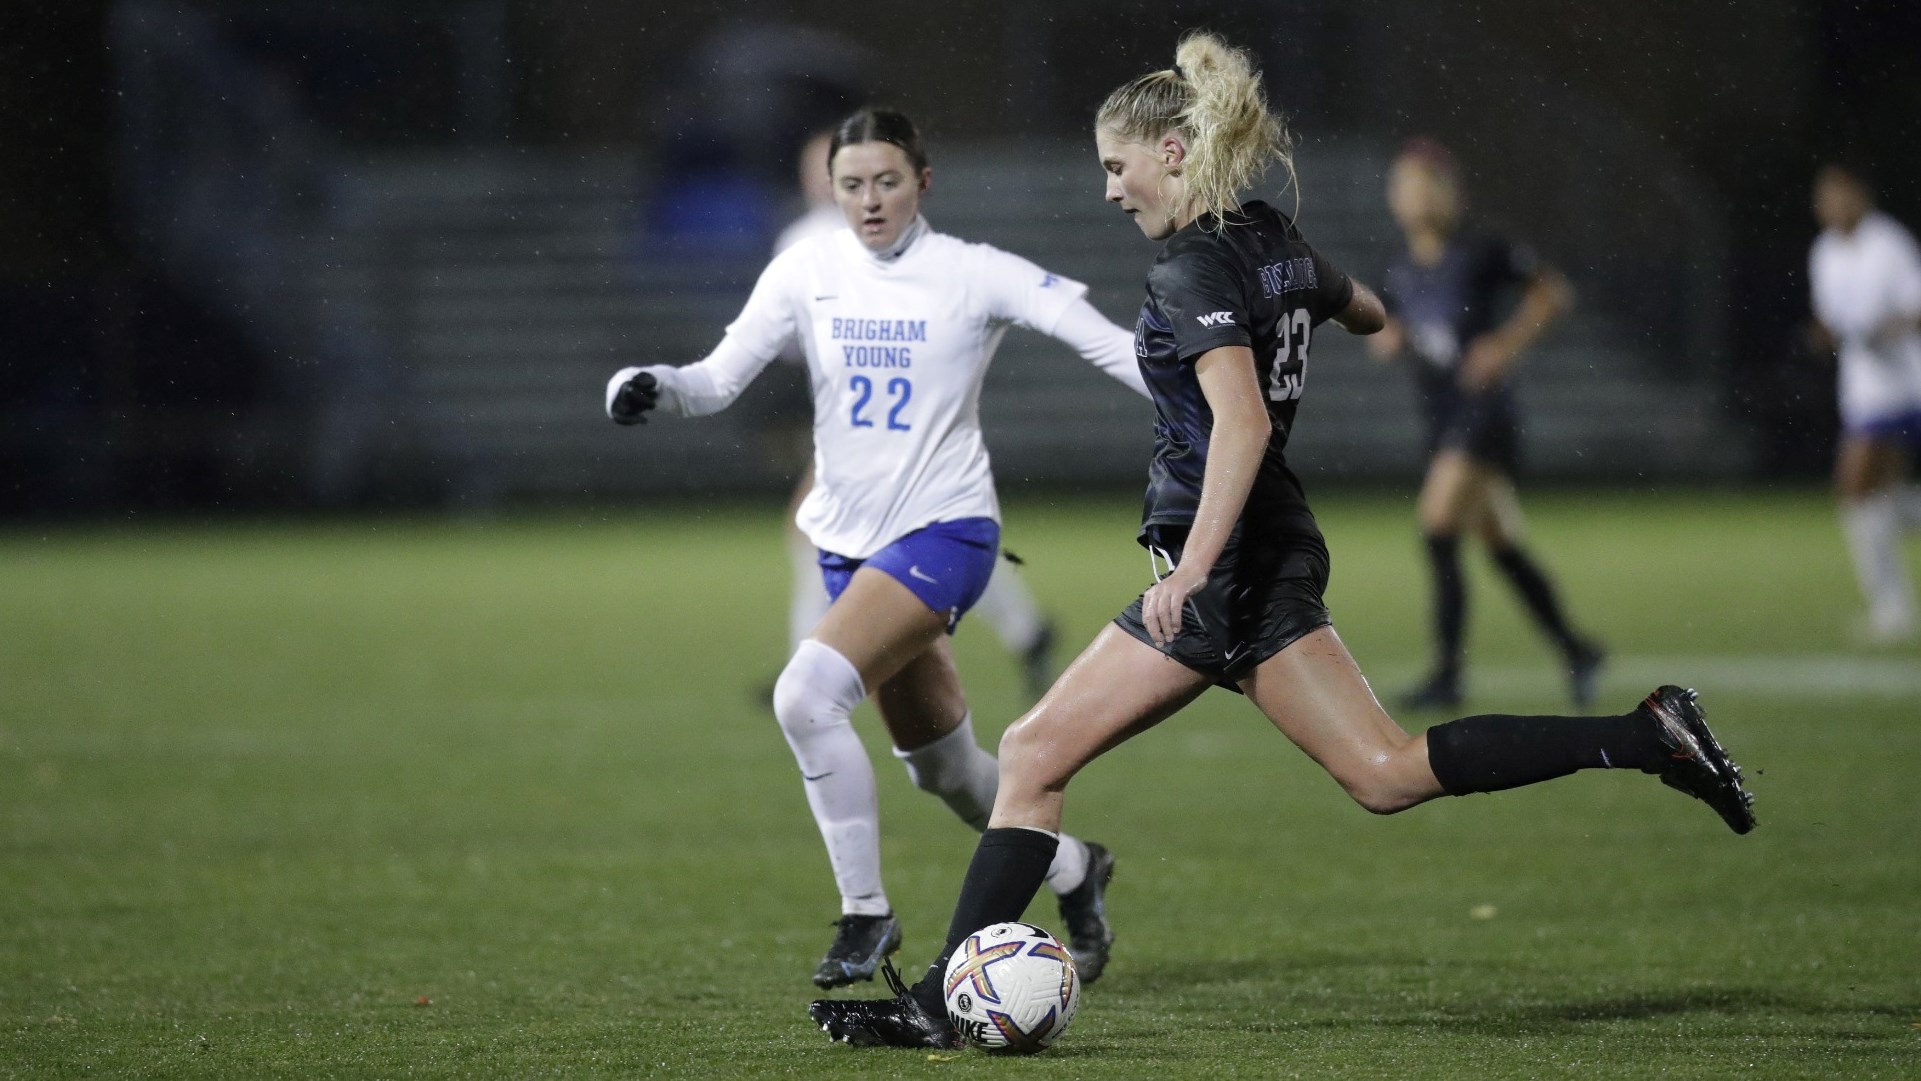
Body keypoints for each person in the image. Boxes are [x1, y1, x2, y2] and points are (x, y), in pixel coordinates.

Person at [806, 33, 1755, 1049]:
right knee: (1384, 773)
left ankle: (942, 1005)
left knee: (1034, 751)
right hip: (1278, 551)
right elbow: (1371, 309)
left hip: (1228, 566)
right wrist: (1299, 305)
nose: (1110, 191)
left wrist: (1195, 571)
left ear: (1172, 153)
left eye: (1116, 166)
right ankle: (1645, 733)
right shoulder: (1271, 236)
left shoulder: (1189, 268)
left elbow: (1244, 425)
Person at [606, 107, 1152, 990]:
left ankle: (866, 915)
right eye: (851, 183)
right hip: (844, 545)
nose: (868, 201)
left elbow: (1105, 343)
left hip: (946, 533)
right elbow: (713, 381)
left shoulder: (971, 274)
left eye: (887, 181)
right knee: (949, 772)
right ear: (830, 187)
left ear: (923, 183)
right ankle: (1074, 867)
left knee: (805, 693)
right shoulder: (806, 268)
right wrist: (651, 387)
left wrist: (1209, 392)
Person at [771, 132, 1063, 700]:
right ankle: (1027, 630)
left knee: (818, 526)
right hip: (882, 415)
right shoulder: (901, 236)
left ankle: (806, 664)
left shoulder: (809, 239)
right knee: (925, 527)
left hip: (865, 421)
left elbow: (789, 339)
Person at [1367, 139, 1605, 709]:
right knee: (1501, 545)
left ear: (1454, 194)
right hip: (1443, 419)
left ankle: (1448, 675)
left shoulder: (1481, 248)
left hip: (1484, 416)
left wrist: (1504, 344)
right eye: (1408, 185)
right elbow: (1382, 327)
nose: (1419, 196)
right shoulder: (1397, 268)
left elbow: (1552, 292)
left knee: (1436, 527)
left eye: (1431, 184)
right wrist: (1384, 336)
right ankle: (1577, 649)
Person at [1807, 162, 1921, 644]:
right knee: (1882, 499)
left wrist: (1881, 331)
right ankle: (1892, 606)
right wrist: (1828, 334)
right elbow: (1834, 319)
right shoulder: (1825, 252)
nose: (1829, 207)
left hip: (1902, 384)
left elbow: (1915, 310)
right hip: (1859, 390)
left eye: (1837, 196)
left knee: (1854, 488)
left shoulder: (1887, 243)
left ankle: (1891, 606)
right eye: (1822, 199)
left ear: (1859, 196)